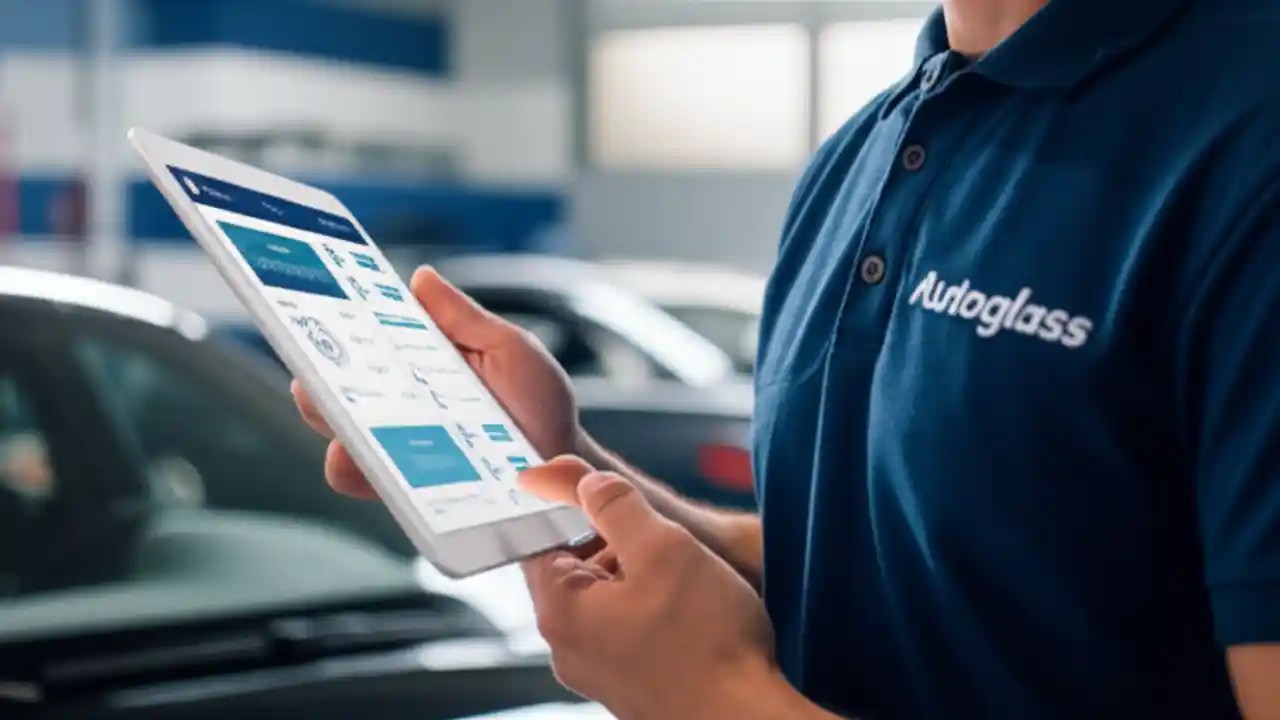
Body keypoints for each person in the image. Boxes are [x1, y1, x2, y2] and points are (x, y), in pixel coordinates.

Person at [292, 0, 1280, 716]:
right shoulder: (862, 149)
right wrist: (560, 464)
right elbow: (861, 571)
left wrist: (712, 699)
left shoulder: (1245, 134)